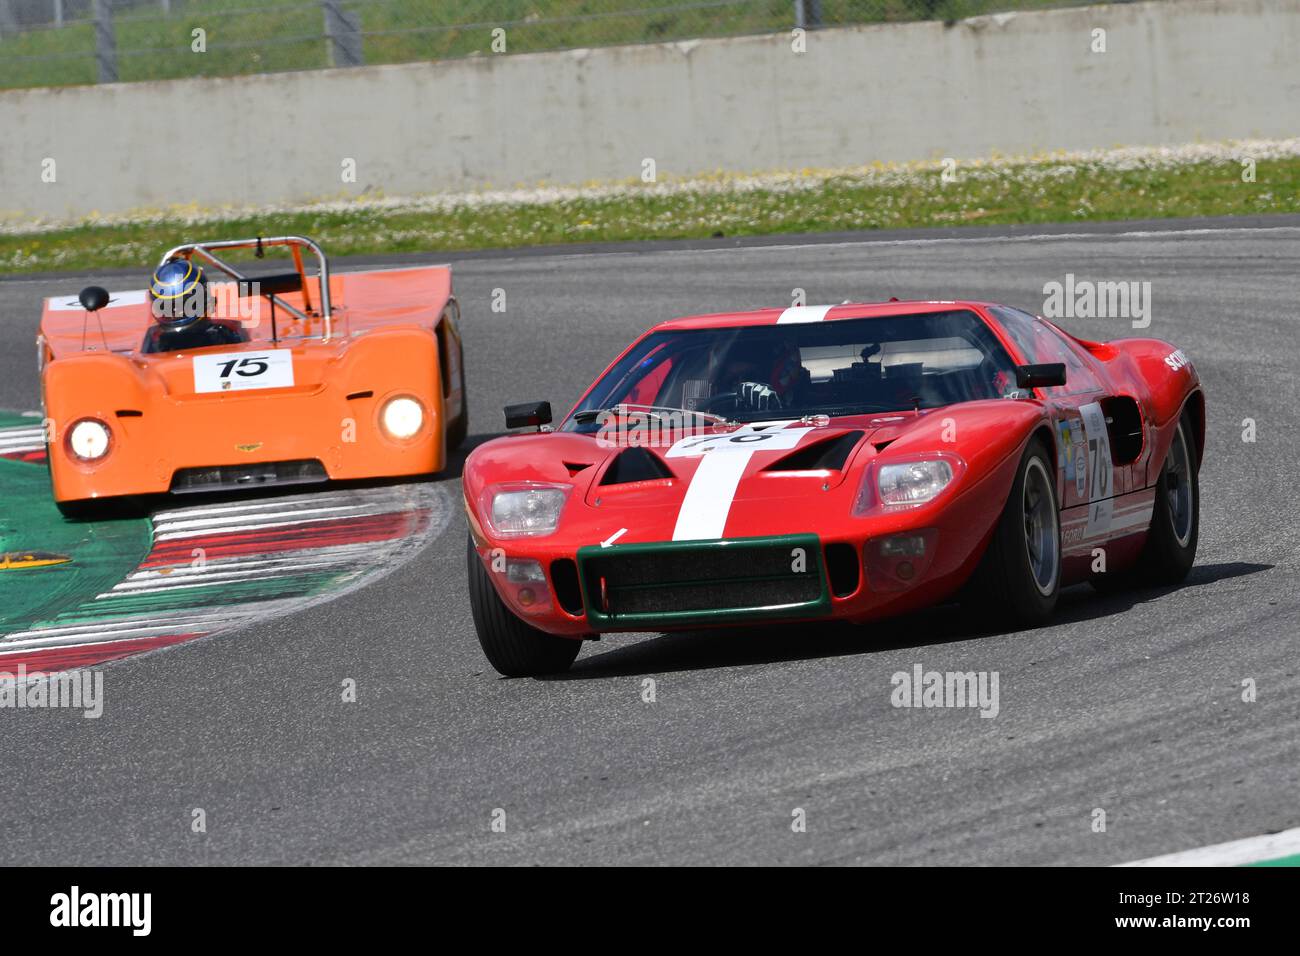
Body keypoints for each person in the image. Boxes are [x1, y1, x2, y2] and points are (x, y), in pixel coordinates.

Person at [142, 259, 248, 353]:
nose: (176, 314)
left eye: (183, 306)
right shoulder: (153, 343)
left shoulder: (228, 335)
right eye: (168, 308)